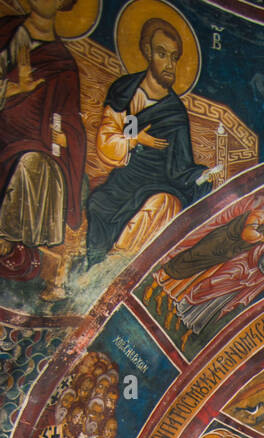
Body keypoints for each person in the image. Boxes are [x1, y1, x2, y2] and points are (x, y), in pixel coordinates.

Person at [86, 16, 217, 264]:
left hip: (159, 182)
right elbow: (106, 141)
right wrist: (135, 140)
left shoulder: (175, 112)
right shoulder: (123, 90)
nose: (169, 64)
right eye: (162, 53)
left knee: (165, 204)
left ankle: (119, 263)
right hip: (127, 177)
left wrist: (200, 176)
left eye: (174, 57)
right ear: (147, 52)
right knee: (97, 204)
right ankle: (98, 266)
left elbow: (181, 166)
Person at [0, 0, 87, 283]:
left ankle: (9, 238)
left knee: (33, 164)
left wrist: (66, 138)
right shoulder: (5, 33)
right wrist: (14, 88)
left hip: (35, 146)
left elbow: (72, 122)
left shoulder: (63, 64)